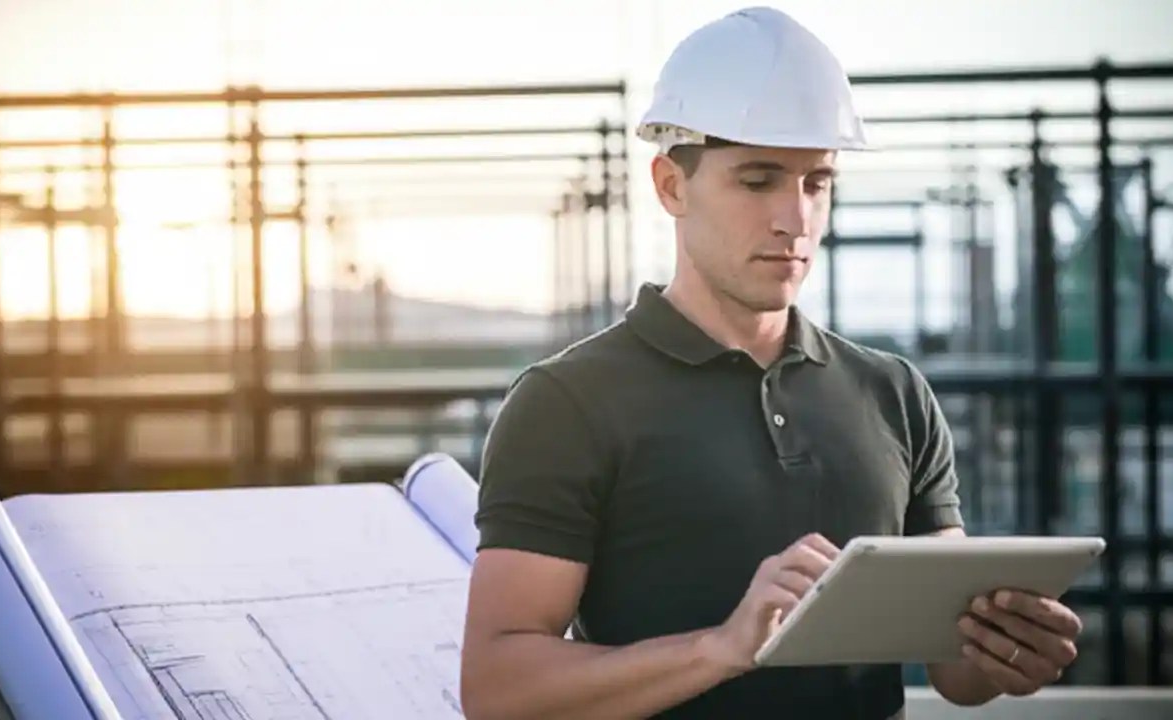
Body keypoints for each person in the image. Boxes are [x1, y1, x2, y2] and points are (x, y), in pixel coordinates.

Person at [459, 7, 1084, 719]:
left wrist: (1008, 650)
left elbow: (953, 668)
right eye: (758, 181)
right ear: (671, 186)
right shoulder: (566, 403)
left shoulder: (893, 391)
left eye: (817, 182)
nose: (795, 218)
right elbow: (497, 687)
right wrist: (721, 648)